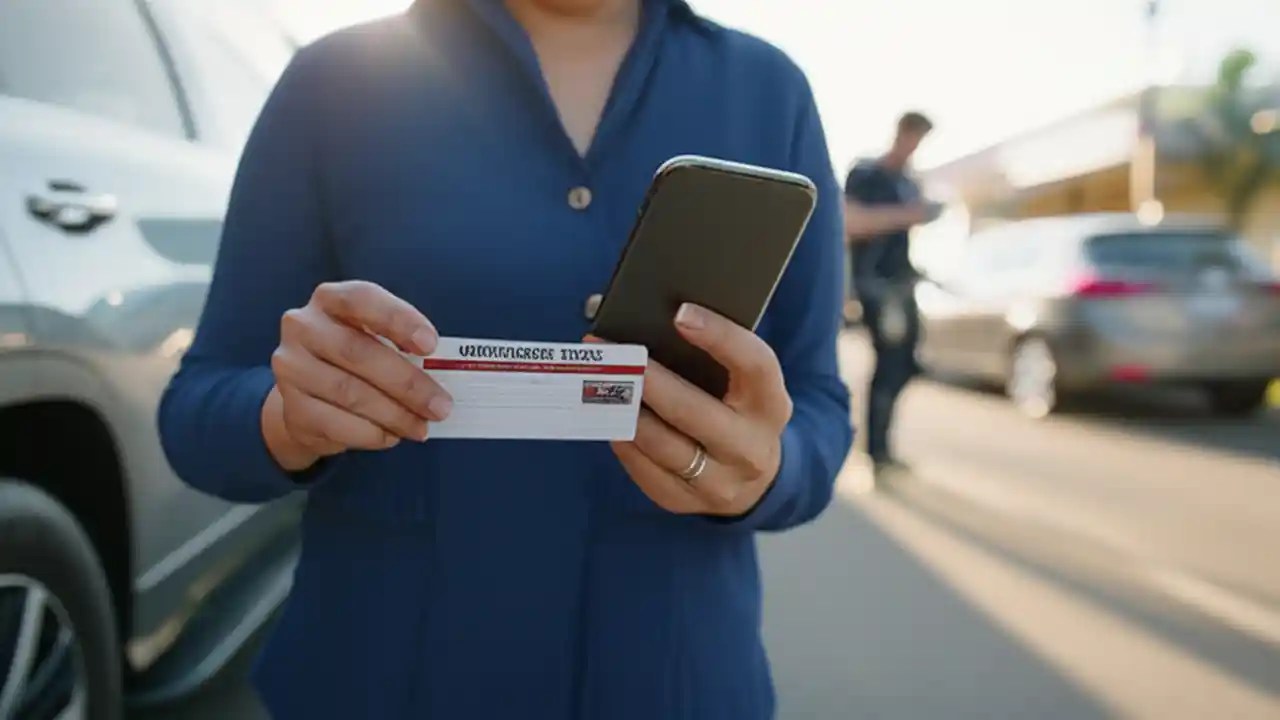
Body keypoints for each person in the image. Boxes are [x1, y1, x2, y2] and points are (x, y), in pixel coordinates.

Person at [157, 0, 852, 717]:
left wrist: (766, 473)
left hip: (672, 681)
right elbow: (197, 411)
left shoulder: (768, 90)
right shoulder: (336, 80)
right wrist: (288, 417)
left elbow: (818, 406)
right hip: (385, 678)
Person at [844, 111, 939, 474]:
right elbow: (853, 222)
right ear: (901, 133)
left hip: (902, 284)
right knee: (889, 363)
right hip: (875, 285)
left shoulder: (908, 182)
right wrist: (909, 215)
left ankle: (881, 446)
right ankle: (876, 451)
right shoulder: (868, 174)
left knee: (905, 362)